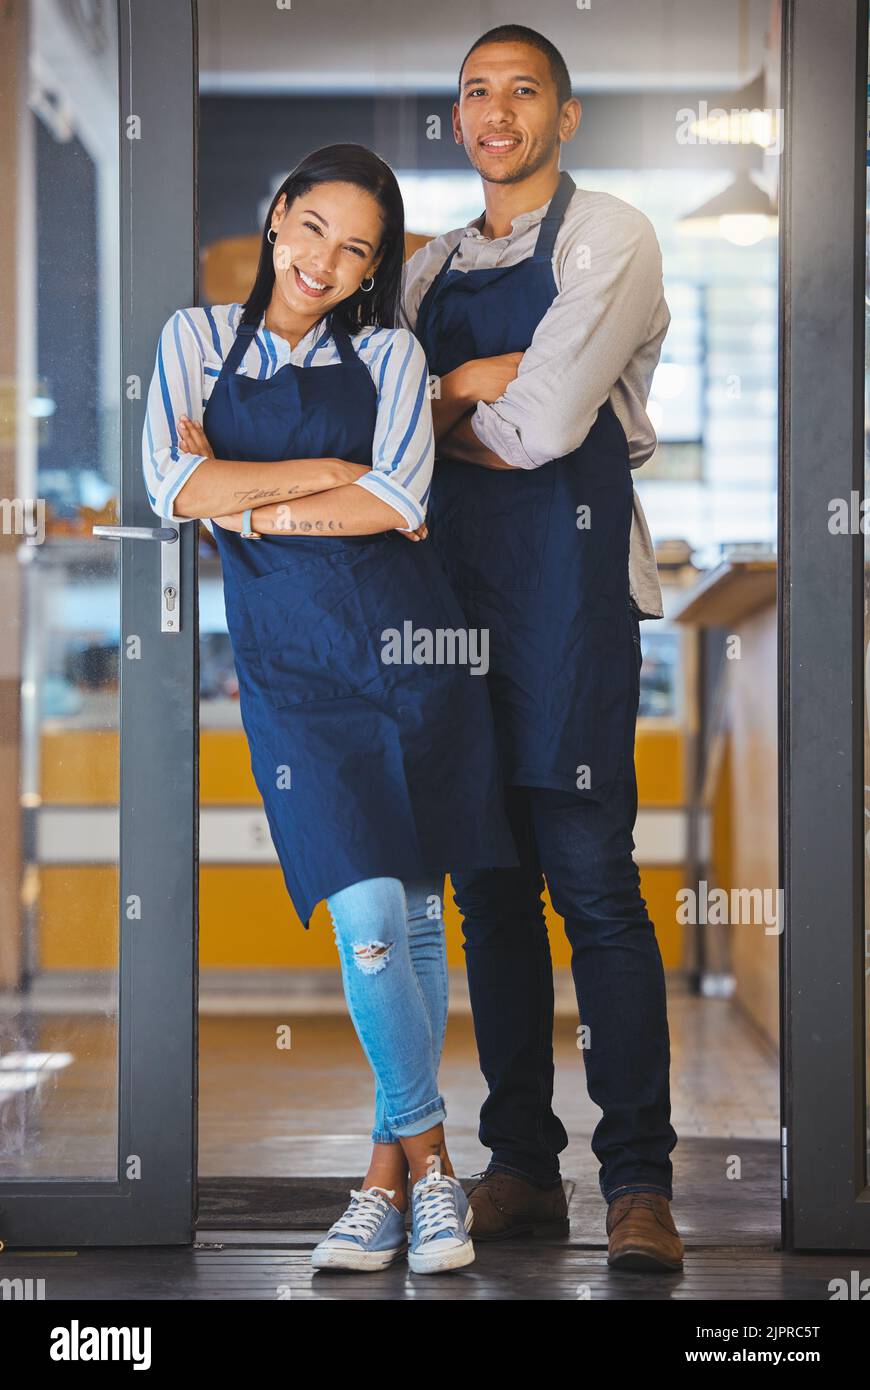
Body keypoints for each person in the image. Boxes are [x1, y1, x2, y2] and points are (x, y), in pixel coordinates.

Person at [141, 143, 520, 1275]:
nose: (327, 260)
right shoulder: (195, 338)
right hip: (295, 675)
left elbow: (401, 496)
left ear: (372, 270)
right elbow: (169, 484)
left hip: (412, 655)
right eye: (313, 230)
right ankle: (438, 1161)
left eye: (358, 249)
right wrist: (319, 481)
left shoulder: (396, 352)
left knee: (411, 917)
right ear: (276, 219)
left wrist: (245, 504)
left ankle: (379, 1188)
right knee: (365, 925)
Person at [401, 25, 684, 1270]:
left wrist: (449, 401)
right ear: (457, 118)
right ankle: (521, 1165)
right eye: (477, 92)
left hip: (570, 605)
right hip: (455, 601)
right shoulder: (421, 270)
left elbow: (539, 428)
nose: (496, 111)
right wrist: (472, 377)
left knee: (595, 890)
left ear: (564, 117)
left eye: (524, 92)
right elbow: (383, 431)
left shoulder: (608, 235)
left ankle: (639, 1183)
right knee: (490, 900)